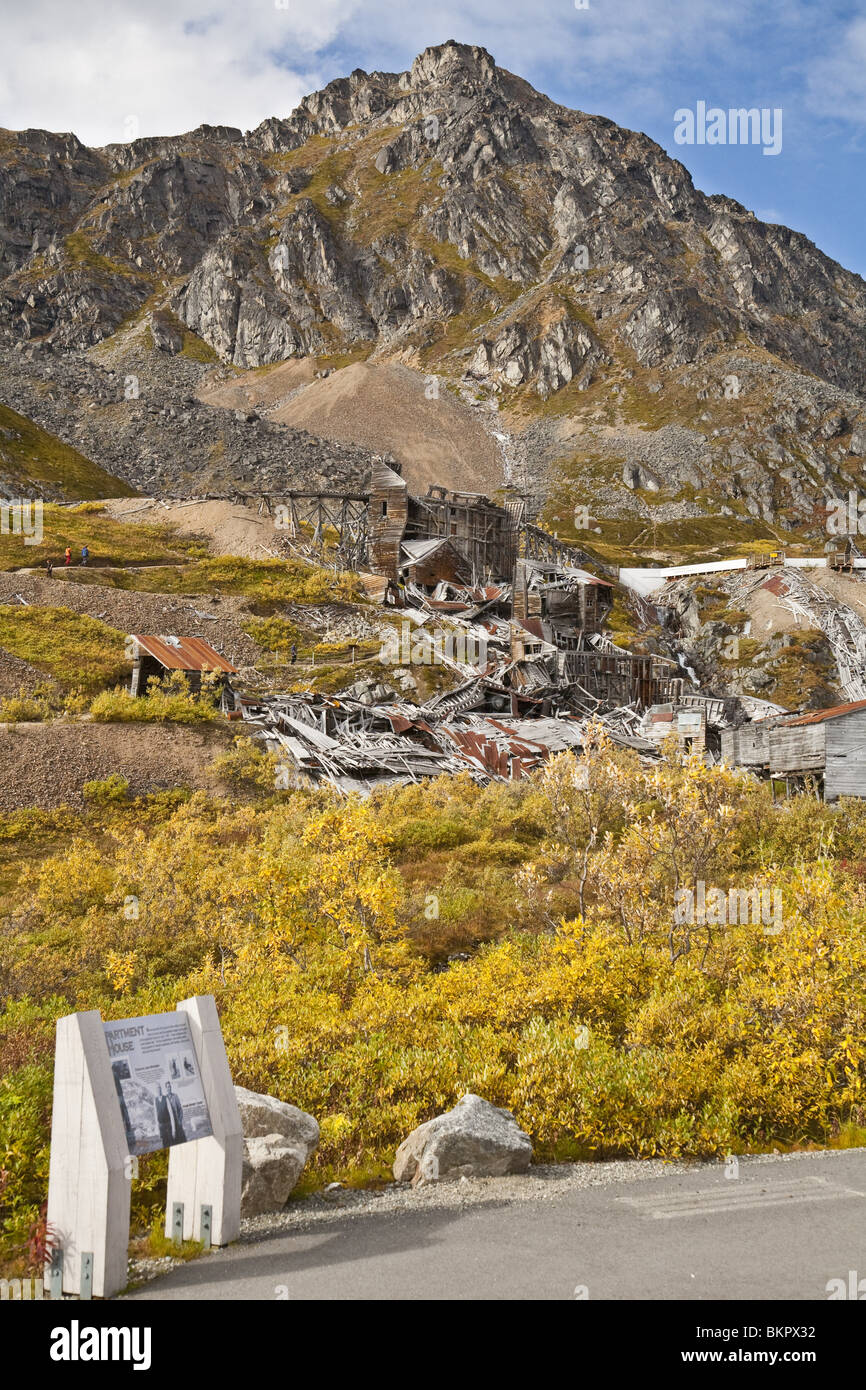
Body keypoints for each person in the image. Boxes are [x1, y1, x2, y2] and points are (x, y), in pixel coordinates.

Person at [154, 1083, 173, 1149]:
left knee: (171, 1141)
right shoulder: (155, 1100)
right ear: (155, 1090)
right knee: (164, 1144)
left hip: (168, 1124)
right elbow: (155, 1115)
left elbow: (171, 1113)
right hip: (161, 1125)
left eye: (159, 1088)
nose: (158, 1090)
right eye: (157, 1088)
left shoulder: (165, 1098)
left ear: (161, 1089)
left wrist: (173, 1128)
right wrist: (158, 1129)